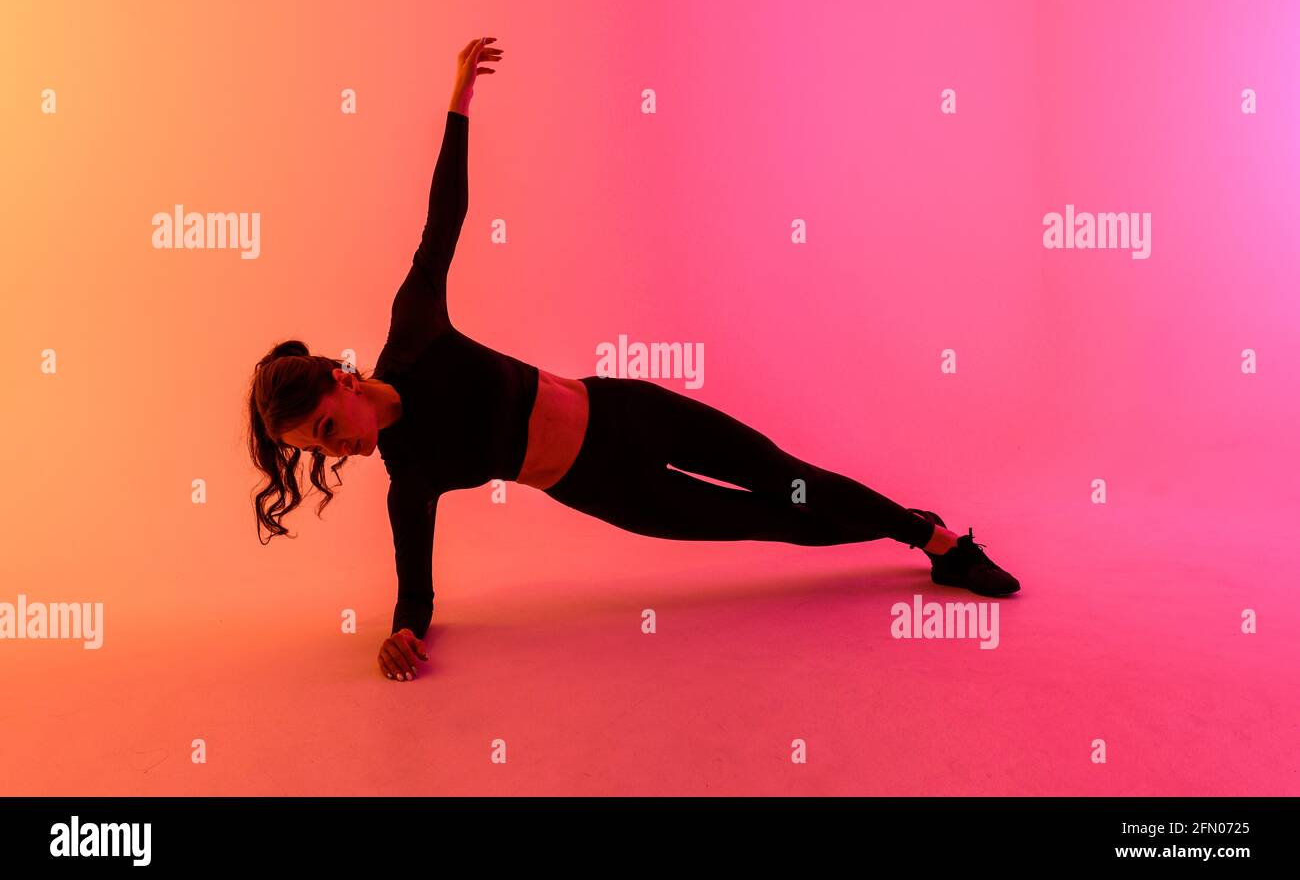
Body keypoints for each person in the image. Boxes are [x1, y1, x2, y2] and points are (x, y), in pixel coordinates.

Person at [246, 37, 1021, 683]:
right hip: (609, 490)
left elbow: (441, 220)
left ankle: (934, 539)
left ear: (342, 379)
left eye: (323, 425)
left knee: (790, 477)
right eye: (316, 449)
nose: (334, 449)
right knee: (771, 523)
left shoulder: (413, 333)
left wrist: (459, 99)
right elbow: (416, 588)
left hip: (625, 411)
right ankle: (907, 538)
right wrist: (402, 634)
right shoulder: (408, 475)